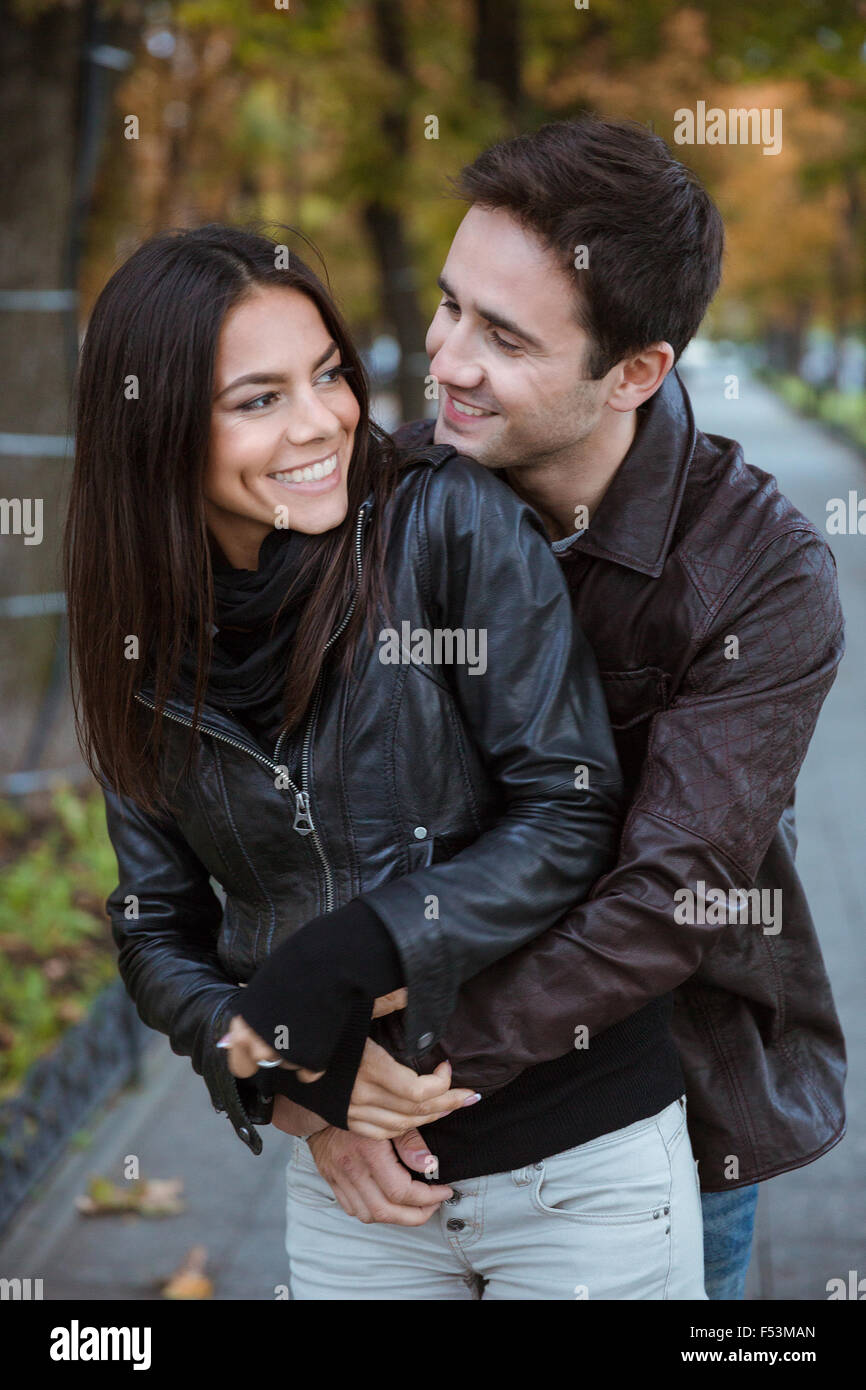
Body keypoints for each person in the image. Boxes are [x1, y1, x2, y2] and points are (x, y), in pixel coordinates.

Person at [64, 222, 704, 1300]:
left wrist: (352, 955)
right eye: (256, 399)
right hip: (352, 1182)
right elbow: (154, 924)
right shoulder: (135, 631)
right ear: (158, 430)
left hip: (576, 1169)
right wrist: (274, 1074)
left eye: (326, 375)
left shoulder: (442, 520)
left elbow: (567, 810)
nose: (321, 422)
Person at [271, 116, 846, 1302]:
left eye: (503, 337)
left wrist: (393, 1068)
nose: (446, 360)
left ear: (633, 370)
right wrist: (304, 1084)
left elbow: (670, 895)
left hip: (660, 1116)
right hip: (390, 1148)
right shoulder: (372, 507)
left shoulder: (758, 569)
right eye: (449, 308)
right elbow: (282, 822)